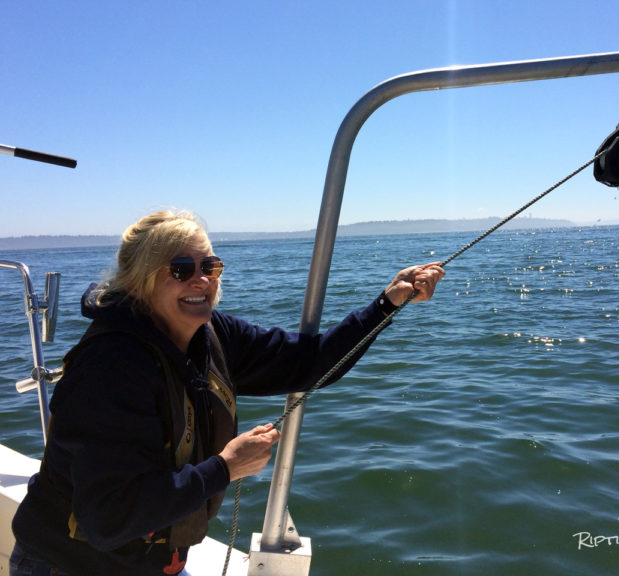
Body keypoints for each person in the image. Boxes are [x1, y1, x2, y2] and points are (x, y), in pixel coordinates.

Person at [11, 209, 445, 575]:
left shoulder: (212, 335)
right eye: (182, 269)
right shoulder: (111, 367)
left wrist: (386, 304)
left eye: (210, 266)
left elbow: (311, 363)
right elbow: (109, 517)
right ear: (139, 281)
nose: (201, 280)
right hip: (67, 564)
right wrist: (225, 468)